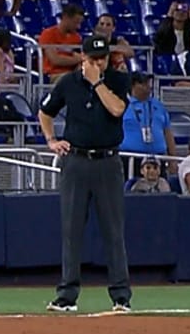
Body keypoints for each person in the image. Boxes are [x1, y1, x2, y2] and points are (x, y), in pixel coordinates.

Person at [38, 35, 132, 313]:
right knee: (71, 229)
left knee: (113, 230)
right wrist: (50, 139)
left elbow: (117, 109)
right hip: (76, 160)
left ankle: (121, 297)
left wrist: (97, 81)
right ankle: (67, 296)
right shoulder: (68, 83)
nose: (96, 63)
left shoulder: (116, 80)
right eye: (92, 58)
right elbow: (45, 111)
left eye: (101, 59)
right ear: (83, 57)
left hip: (107, 160)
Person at [118, 72, 175, 177]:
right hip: (130, 158)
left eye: (148, 83)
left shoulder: (158, 105)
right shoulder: (121, 104)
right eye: (143, 83)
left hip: (157, 158)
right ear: (133, 85)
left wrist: (172, 159)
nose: (148, 86)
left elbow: (167, 132)